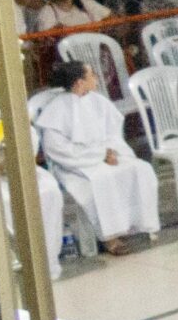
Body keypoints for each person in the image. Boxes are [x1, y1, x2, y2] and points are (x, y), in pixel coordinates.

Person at [29, 59, 159, 254]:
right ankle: (110, 238)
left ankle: (132, 224)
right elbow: (57, 150)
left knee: (141, 168)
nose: (96, 78)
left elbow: (113, 134)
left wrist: (113, 152)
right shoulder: (57, 109)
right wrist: (99, 155)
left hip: (104, 155)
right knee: (102, 179)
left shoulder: (98, 101)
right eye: (92, 75)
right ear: (79, 82)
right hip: (75, 165)